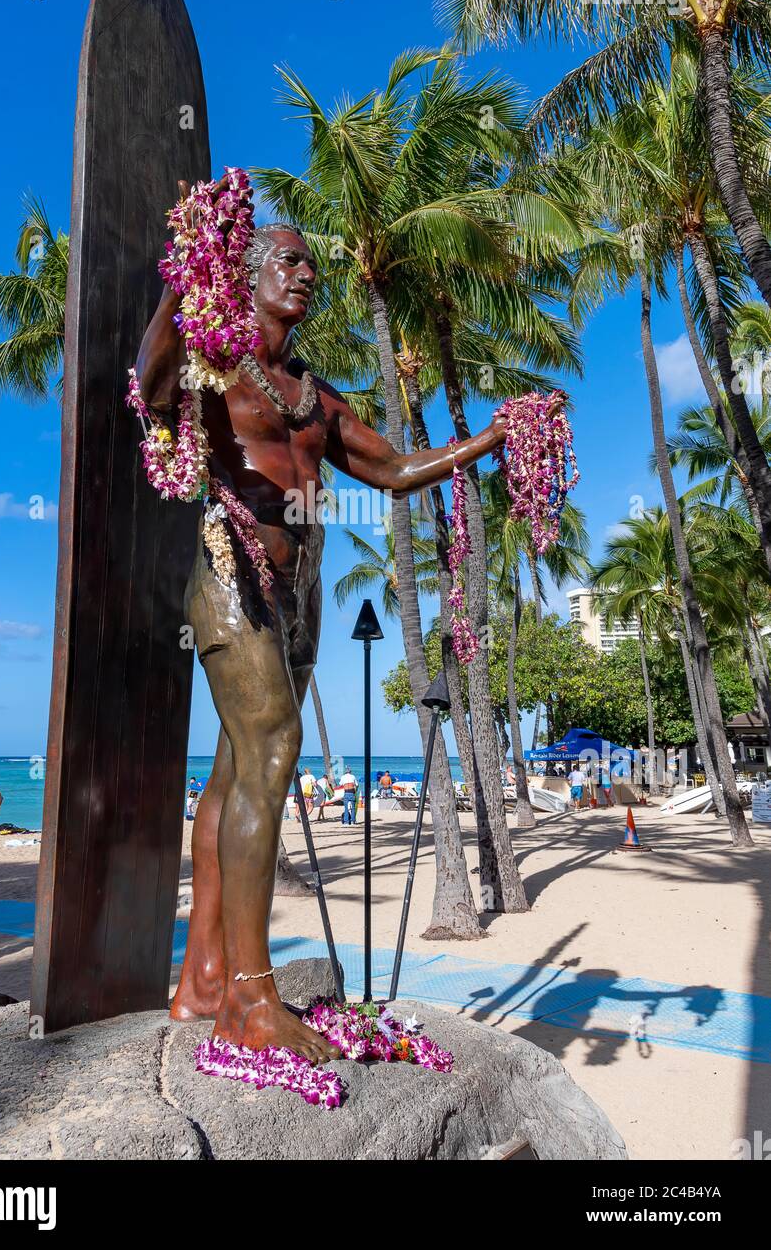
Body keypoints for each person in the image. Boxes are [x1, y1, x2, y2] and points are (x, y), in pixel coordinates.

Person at [139, 194, 534, 1064]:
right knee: (275, 747)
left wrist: (488, 441)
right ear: (242, 278)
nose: (307, 273)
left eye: (310, 263)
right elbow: (152, 384)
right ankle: (247, 999)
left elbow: (394, 468)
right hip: (230, 571)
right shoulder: (216, 367)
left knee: (238, 767)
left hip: (303, 590)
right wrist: (180, 277)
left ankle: (203, 974)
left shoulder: (315, 395)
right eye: (287, 260)